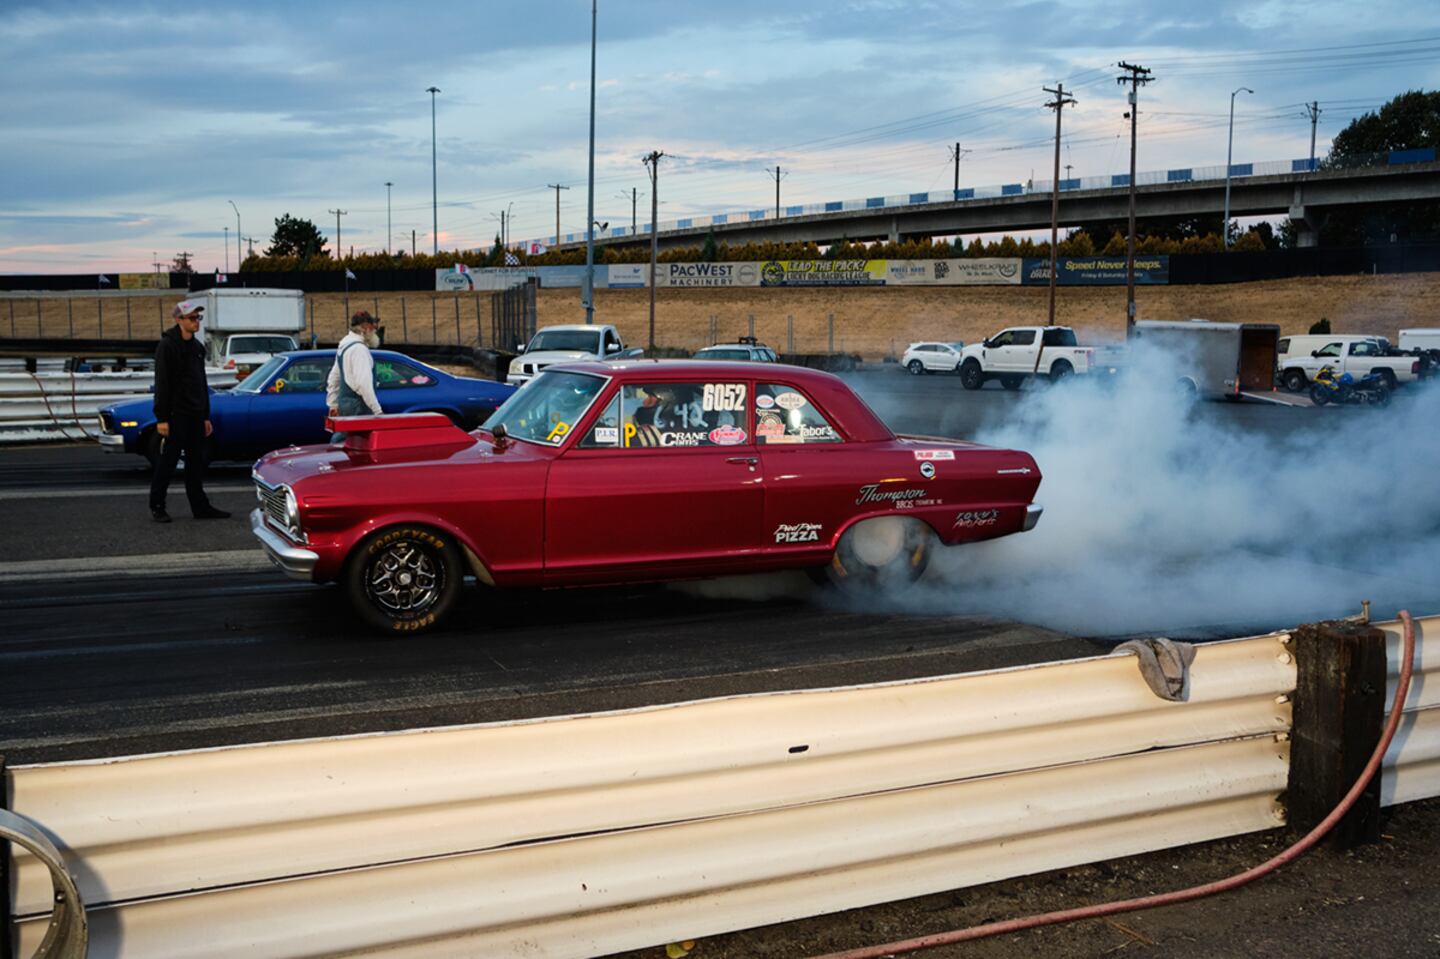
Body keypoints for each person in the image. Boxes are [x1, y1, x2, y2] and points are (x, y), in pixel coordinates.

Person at [149, 299, 230, 522]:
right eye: (192, 318)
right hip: (176, 416)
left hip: (196, 414)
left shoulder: (197, 348)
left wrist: (205, 415)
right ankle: (157, 505)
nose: (197, 322)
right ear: (179, 320)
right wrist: (162, 418)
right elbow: (162, 382)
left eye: (198, 318)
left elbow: (200, 383)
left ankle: (200, 507)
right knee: (168, 463)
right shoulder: (167, 346)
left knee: (196, 463)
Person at [326, 311, 384, 440]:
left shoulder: (344, 345)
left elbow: (334, 378)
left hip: (345, 402)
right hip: (358, 405)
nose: (375, 331)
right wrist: (378, 411)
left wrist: (333, 404)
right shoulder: (359, 350)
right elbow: (363, 384)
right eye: (374, 327)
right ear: (365, 328)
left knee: (344, 437)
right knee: (357, 441)